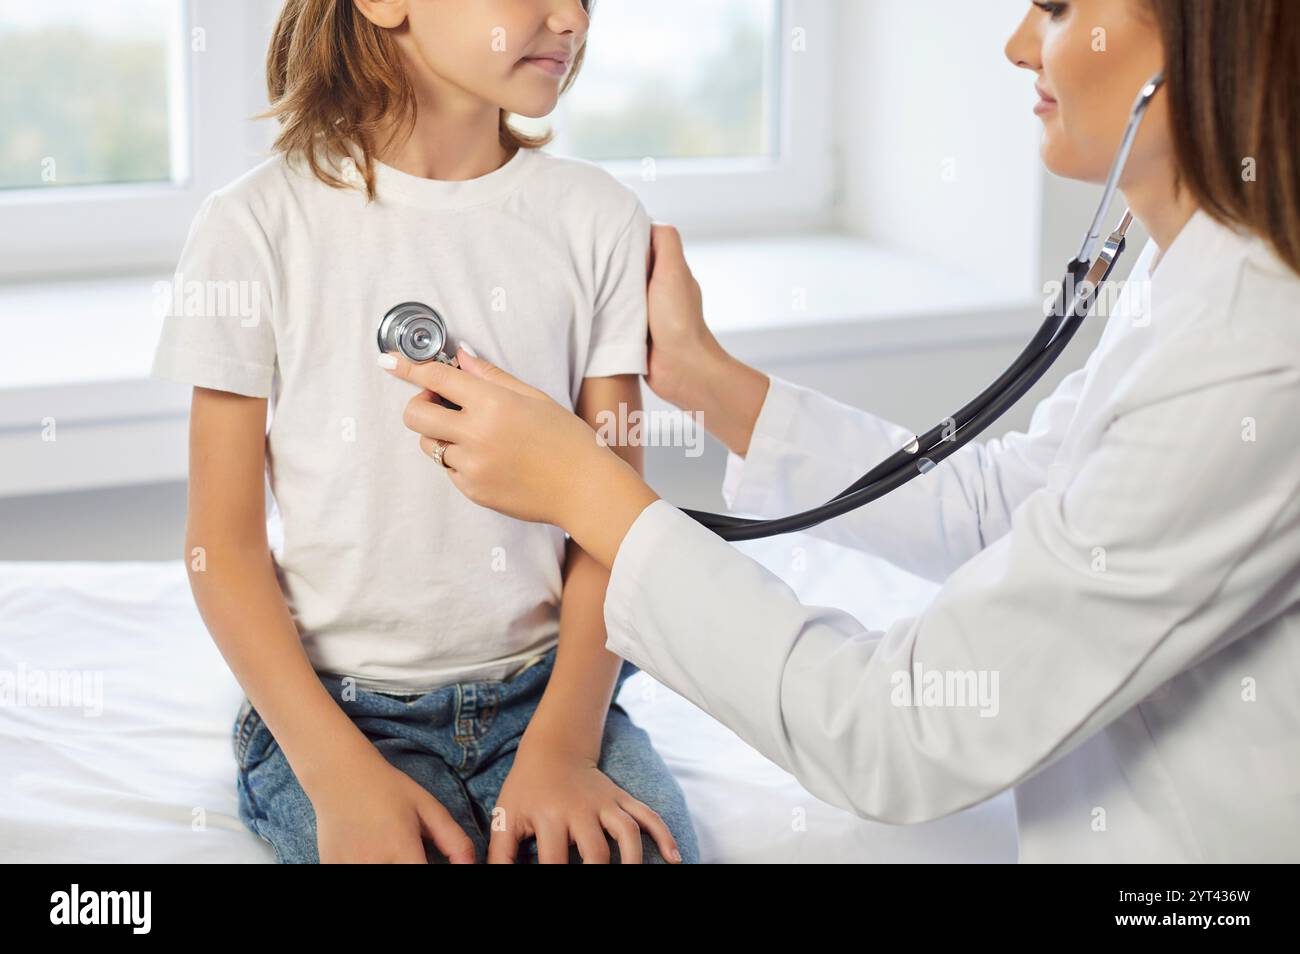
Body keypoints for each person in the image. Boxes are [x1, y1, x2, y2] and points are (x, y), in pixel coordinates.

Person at [380, 0, 1300, 862]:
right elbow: (1016, 513)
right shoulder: (1208, 278)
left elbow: (902, 730)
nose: (1019, 45)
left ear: (1203, 39)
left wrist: (587, 490)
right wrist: (704, 379)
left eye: (1057, 7)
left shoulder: (1253, 349)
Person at [152, 0, 696, 864]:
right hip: (341, 717)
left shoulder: (598, 220)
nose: (571, 18)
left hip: (549, 701)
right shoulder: (253, 227)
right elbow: (222, 544)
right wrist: (337, 776)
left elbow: (613, 528)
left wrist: (559, 749)